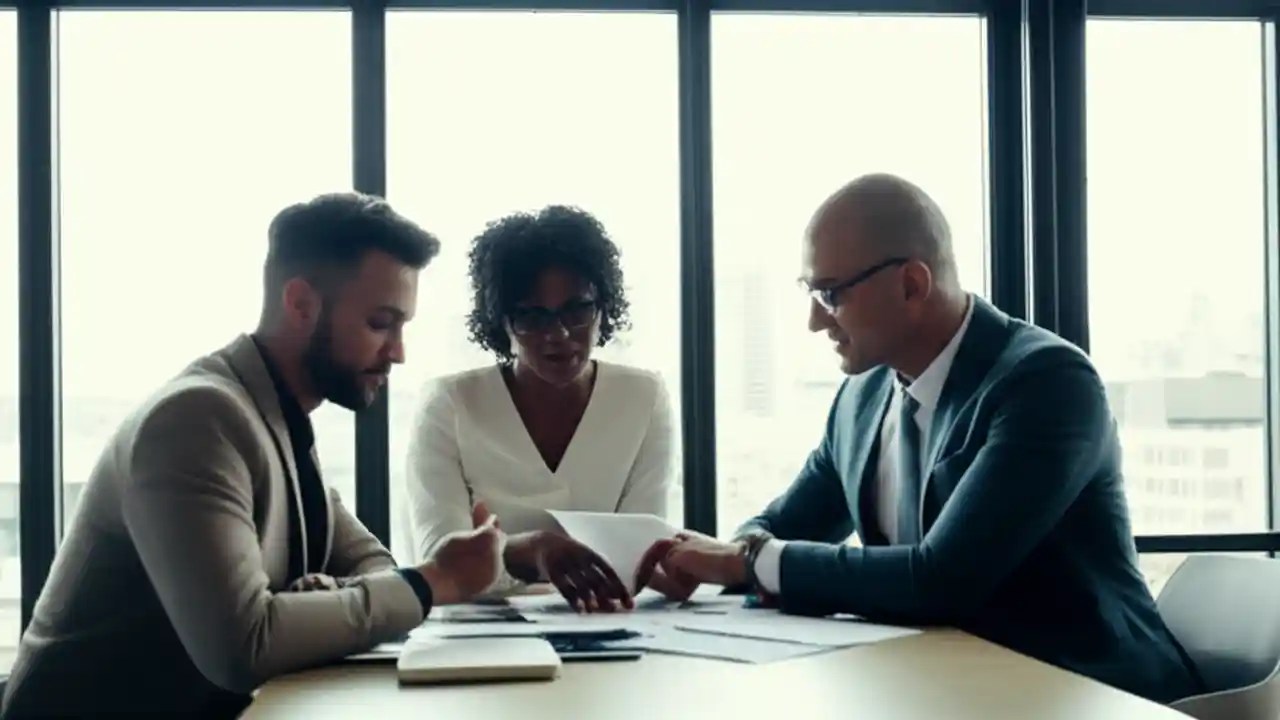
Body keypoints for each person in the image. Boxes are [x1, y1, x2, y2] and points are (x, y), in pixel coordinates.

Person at [638, 174, 1203, 704]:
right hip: (938, 685)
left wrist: (748, 561)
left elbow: (941, 580)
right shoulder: (861, 400)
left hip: (1083, 692)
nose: (814, 320)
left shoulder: (1045, 384)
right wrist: (735, 554)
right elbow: (775, 531)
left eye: (830, 294)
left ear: (912, 284)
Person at [3, 193, 504, 718]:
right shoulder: (197, 421)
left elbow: (370, 563)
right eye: (381, 323)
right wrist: (434, 581)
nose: (398, 351)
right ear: (301, 304)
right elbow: (244, 647)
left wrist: (335, 597)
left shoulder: (278, 419)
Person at [406, 205, 676, 612]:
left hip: (606, 624)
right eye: (532, 316)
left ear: (603, 308)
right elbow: (437, 564)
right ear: (502, 322)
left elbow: (638, 556)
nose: (559, 334)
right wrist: (532, 550)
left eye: (577, 309)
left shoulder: (644, 397)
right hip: (481, 636)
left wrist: (502, 554)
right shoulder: (449, 405)